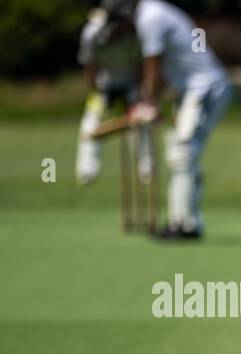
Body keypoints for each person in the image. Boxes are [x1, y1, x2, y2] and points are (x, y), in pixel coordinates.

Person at [103, 0, 232, 239]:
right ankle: (183, 221)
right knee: (180, 152)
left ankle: (185, 225)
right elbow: (161, 72)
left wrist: (148, 103)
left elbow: (154, 64)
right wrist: (149, 101)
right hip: (192, 90)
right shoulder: (154, 12)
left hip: (205, 88)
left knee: (183, 152)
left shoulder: (150, 17)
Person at [75, 6, 152, 187]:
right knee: (91, 122)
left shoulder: (136, 34)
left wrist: (141, 93)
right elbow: (89, 65)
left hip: (130, 84)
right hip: (104, 85)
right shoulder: (91, 34)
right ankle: (87, 170)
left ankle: (147, 169)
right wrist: (94, 92)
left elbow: (140, 64)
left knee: (141, 123)